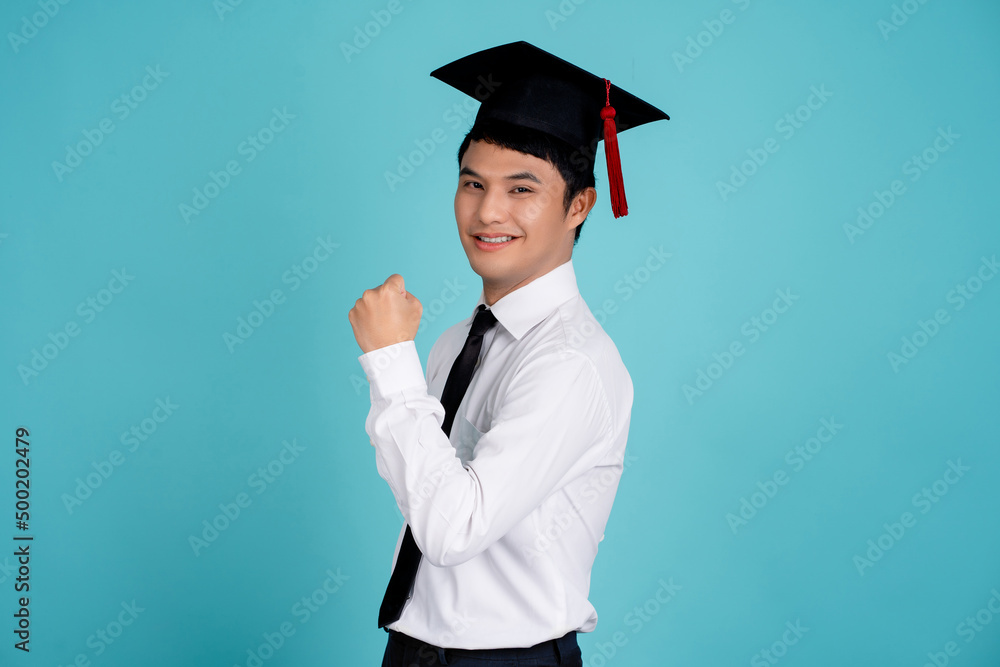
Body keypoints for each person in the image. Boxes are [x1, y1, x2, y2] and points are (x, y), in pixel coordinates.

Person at [348, 41, 668, 667]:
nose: (488, 211)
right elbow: (419, 488)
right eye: (473, 184)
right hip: (413, 652)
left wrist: (389, 359)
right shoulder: (457, 339)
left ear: (579, 205)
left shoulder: (569, 363)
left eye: (522, 188)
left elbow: (449, 529)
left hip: (503, 660)